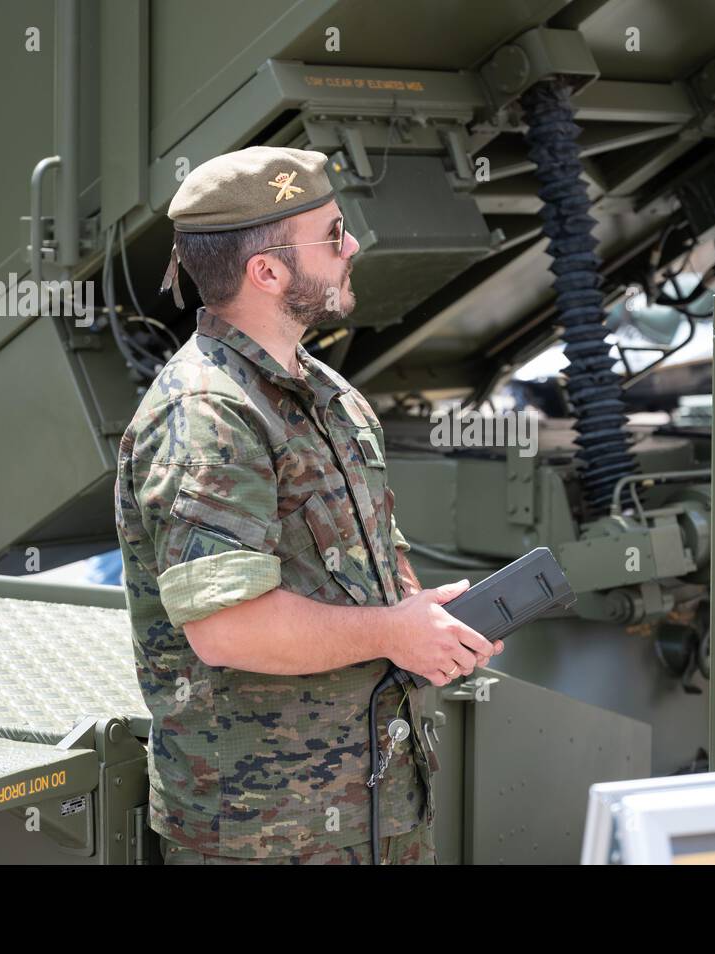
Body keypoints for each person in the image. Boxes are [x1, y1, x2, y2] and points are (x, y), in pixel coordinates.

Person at [113, 146, 503, 865]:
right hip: (265, 831)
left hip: (377, 806)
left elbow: (376, 560)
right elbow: (227, 629)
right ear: (267, 272)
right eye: (332, 235)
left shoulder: (327, 393)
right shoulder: (208, 413)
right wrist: (393, 632)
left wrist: (430, 626)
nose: (352, 247)